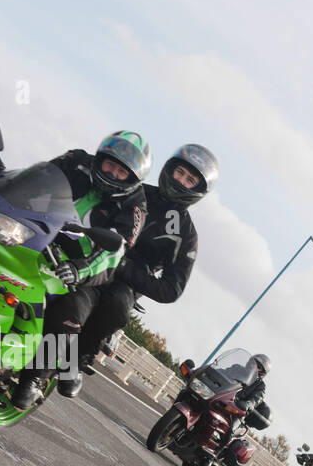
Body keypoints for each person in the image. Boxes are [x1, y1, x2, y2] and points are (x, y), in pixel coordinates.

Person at [11, 131, 151, 409]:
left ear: (132, 179)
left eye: (121, 171)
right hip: (37, 235)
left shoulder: (135, 206)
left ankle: (34, 378)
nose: (112, 172)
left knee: (70, 310)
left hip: (83, 269)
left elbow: (116, 249)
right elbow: (37, 175)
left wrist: (80, 269)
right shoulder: (76, 160)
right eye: (110, 163)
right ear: (100, 157)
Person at [75, 145, 218, 374]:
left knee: (117, 303)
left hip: (125, 283)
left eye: (190, 179)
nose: (181, 180)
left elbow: (171, 290)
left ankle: (80, 355)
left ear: (197, 190)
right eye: (180, 172)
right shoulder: (133, 190)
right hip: (91, 254)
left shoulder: (186, 234)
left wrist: (123, 266)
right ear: (170, 169)